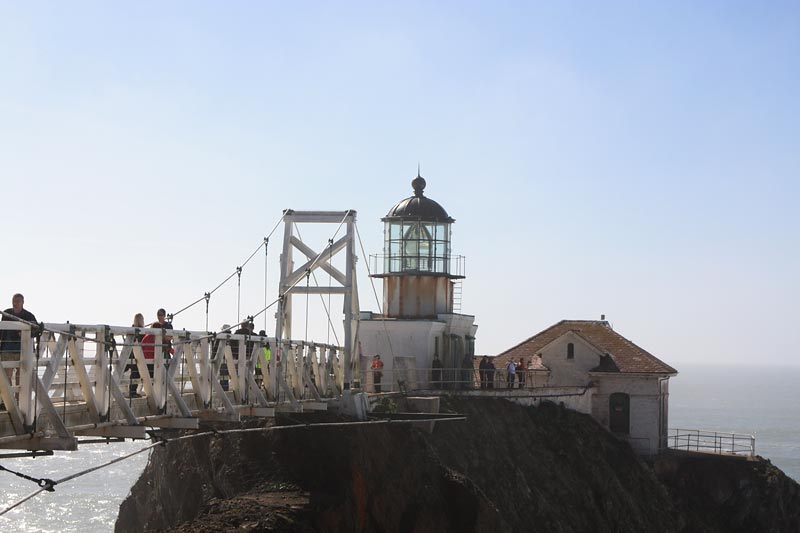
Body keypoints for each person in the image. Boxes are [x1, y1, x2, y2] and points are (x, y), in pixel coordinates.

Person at [0, 294, 37, 390]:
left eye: (17, 301)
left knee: (21, 380)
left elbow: (37, 331)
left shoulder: (29, 316)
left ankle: (18, 402)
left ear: (22, 302)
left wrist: (26, 334)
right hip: (7, 351)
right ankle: (7, 402)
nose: (15, 303)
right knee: (6, 379)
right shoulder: (6, 314)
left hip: (23, 352)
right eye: (13, 301)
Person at [127, 313, 145, 397]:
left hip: (129, 354)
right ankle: (132, 392)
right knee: (136, 373)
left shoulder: (131, 329)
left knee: (134, 373)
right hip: (136, 354)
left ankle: (132, 392)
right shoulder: (142, 331)